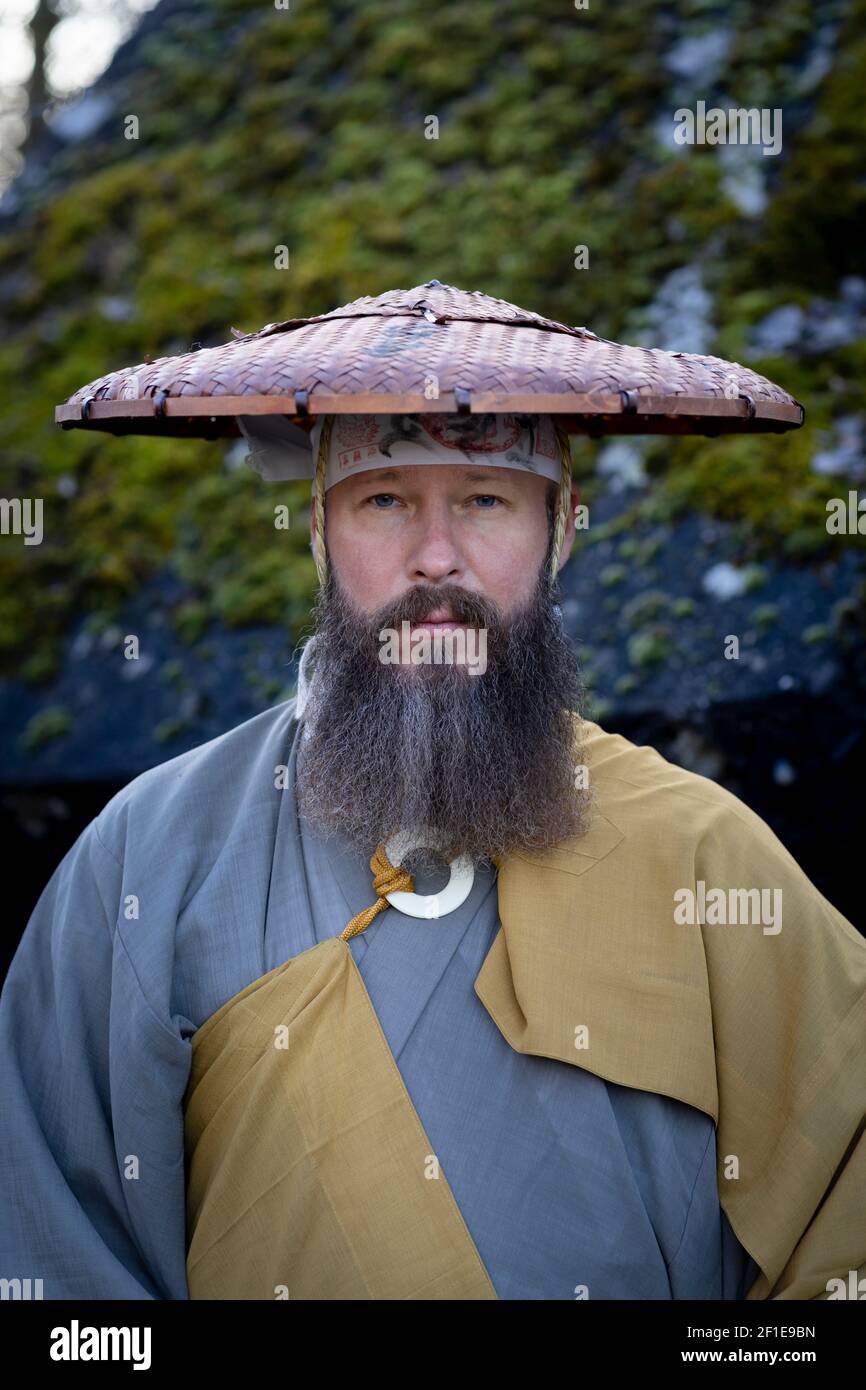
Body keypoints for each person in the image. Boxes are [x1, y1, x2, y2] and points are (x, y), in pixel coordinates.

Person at [1, 411, 863, 1301]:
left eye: (485, 499)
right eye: (384, 500)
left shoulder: (700, 853)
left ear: (561, 531)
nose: (436, 556)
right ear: (318, 537)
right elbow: (53, 1254)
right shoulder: (152, 851)